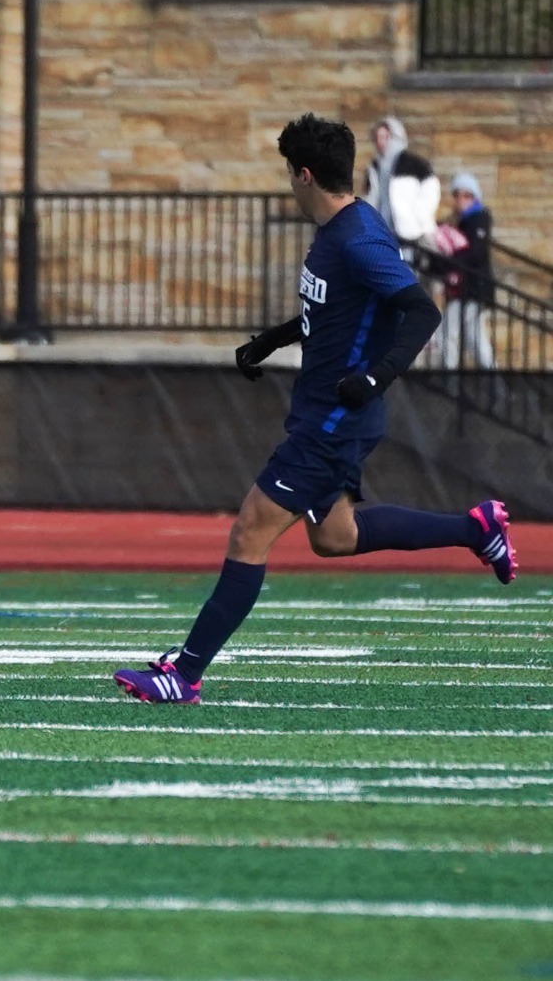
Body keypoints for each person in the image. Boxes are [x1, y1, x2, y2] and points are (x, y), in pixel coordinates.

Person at [113, 114, 518, 705]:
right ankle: (475, 528)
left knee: (251, 528)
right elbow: (331, 312)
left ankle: (186, 673)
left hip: (336, 419)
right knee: (335, 536)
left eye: (289, 173)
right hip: (323, 412)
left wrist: (376, 377)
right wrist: (271, 340)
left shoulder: (357, 238)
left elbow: (421, 311)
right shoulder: (337, 230)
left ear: (305, 175)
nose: (288, 183)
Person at [437, 171, 497, 371]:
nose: (461, 200)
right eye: (457, 195)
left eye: (467, 195)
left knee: (450, 333)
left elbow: (475, 253)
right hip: (462, 289)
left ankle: (450, 381)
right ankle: (493, 381)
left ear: (475, 197)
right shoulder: (458, 222)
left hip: (473, 288)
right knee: (470, 337)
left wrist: (447, 264)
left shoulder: (479, 218)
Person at [363, 115, 440, 266]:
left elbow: (431, 188)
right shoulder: (373, 167)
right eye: (377, 138)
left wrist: (420, 215)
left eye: (385, 137)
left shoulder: (414, 164)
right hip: (381, 229)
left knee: (407, 268)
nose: (380, 142)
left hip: (407, 230)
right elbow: (370, 195)